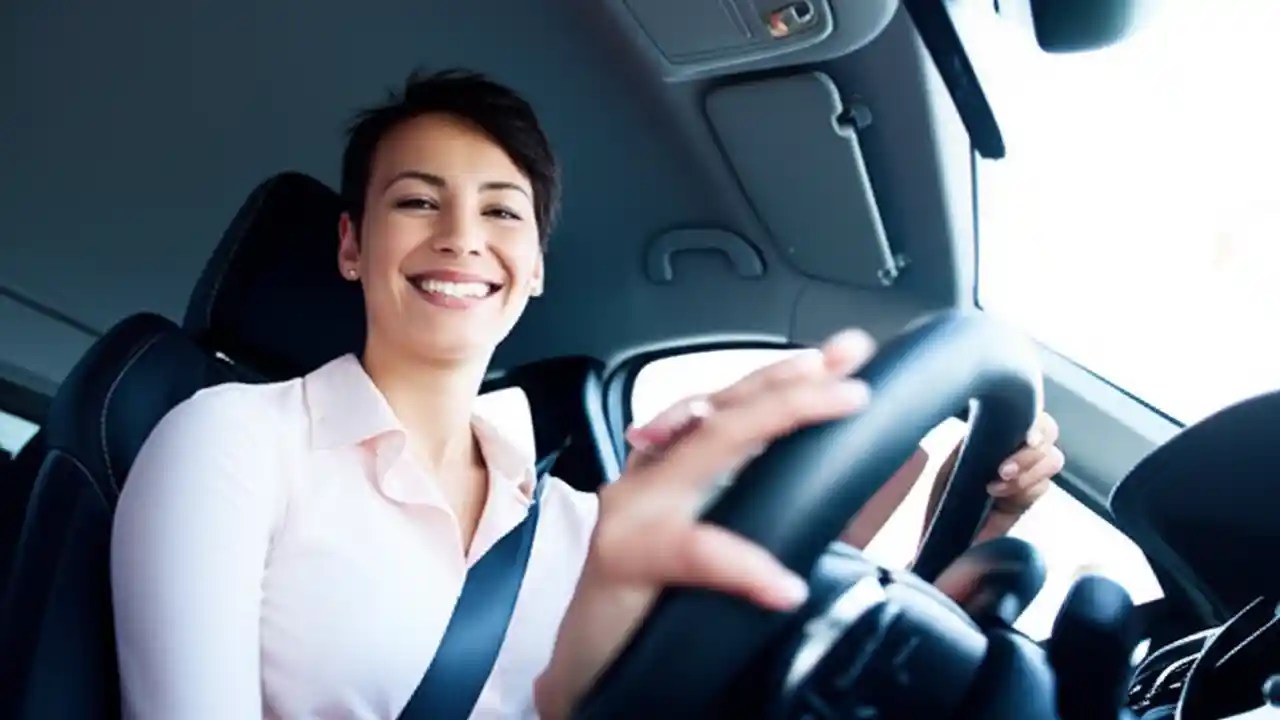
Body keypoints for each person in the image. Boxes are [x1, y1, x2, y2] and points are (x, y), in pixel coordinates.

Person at [110, 70, 1064, 719]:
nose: (461, 236)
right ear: (354, 246)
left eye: (501, 211)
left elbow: (774, 635)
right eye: (417, 201)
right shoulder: (234, 439)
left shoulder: (575, 528)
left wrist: (982, 520)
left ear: (532, 268)